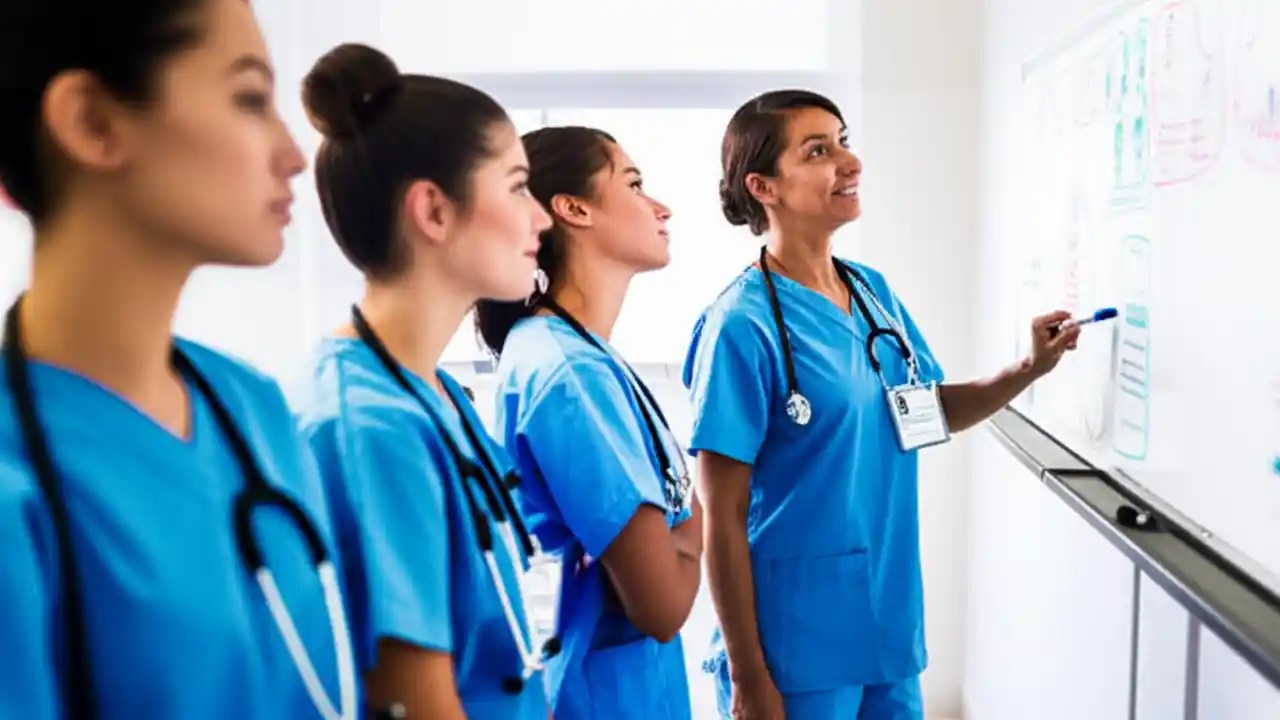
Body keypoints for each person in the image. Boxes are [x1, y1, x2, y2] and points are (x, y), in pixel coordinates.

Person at [0, 1, 357, 718]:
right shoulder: (17, 477)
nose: (293, 154)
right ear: (93, 123)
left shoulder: (252, 407)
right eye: (250, 98)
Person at [685, 90, 1080, 720]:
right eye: (818, 150)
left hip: (886, 622)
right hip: (794, 646)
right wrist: (747, 672)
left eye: (843, 140)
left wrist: (1029, 368)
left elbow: (926, 410)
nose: (849, 161)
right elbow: (720, 515)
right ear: (764, 187)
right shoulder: (741, 324)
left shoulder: (872, 293)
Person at [293, 43, 554, 720]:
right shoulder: (369, 427)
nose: (542, 218)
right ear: (433, 211)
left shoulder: (432, 392)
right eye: (519, 185)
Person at [475, 126, 702, 720]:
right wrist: (692, 525)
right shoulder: (570, 374)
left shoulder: (565, 352)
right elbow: (662, 606)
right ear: (573, 209)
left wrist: (674, 532)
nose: (661, 207)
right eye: (634, 184)